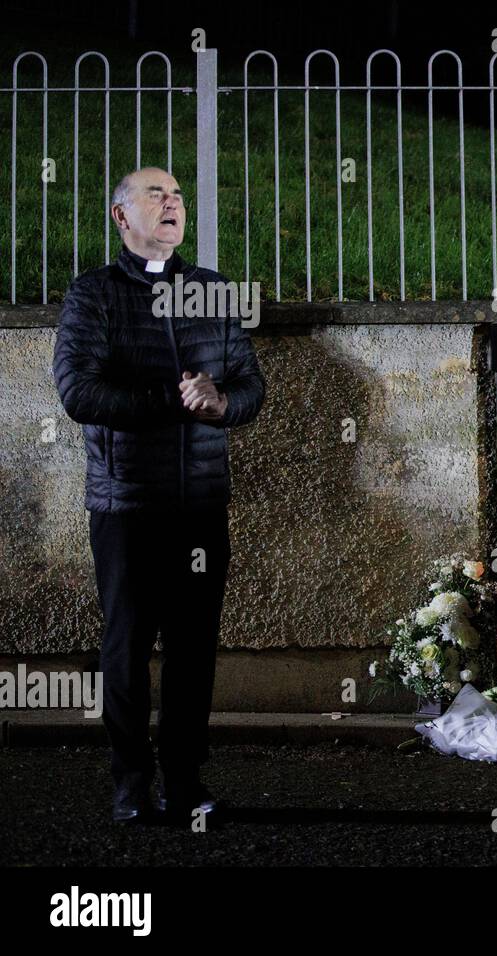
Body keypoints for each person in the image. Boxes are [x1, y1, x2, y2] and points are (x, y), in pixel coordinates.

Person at [53, 167, 265, 823]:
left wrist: (221, 401)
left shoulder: (211, 292)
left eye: (176, 195)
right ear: (121, 217)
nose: (172, 203)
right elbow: (77, 392)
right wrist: (170, 404)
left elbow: (250, 386)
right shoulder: (94, 295)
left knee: (194, 646)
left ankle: (183, 781)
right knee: (125, 647)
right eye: (156, 195)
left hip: (199, 504)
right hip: (126, 505)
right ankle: (130, 784)